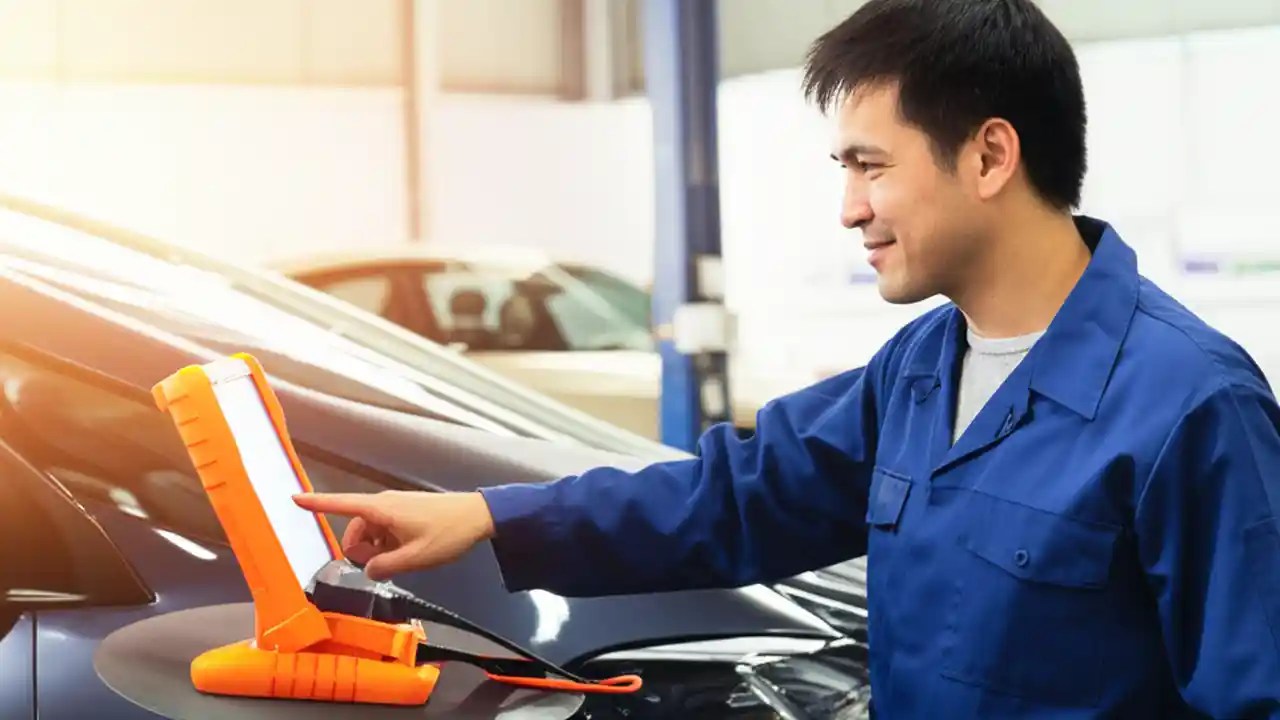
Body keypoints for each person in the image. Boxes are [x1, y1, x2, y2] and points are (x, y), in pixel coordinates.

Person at [294, 0, 1280, 716]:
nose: (848, 207)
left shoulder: (1190, 408)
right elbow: (733, 502)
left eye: (869, 165)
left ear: (987, 157)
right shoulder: (919, 371)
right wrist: (481, 515)